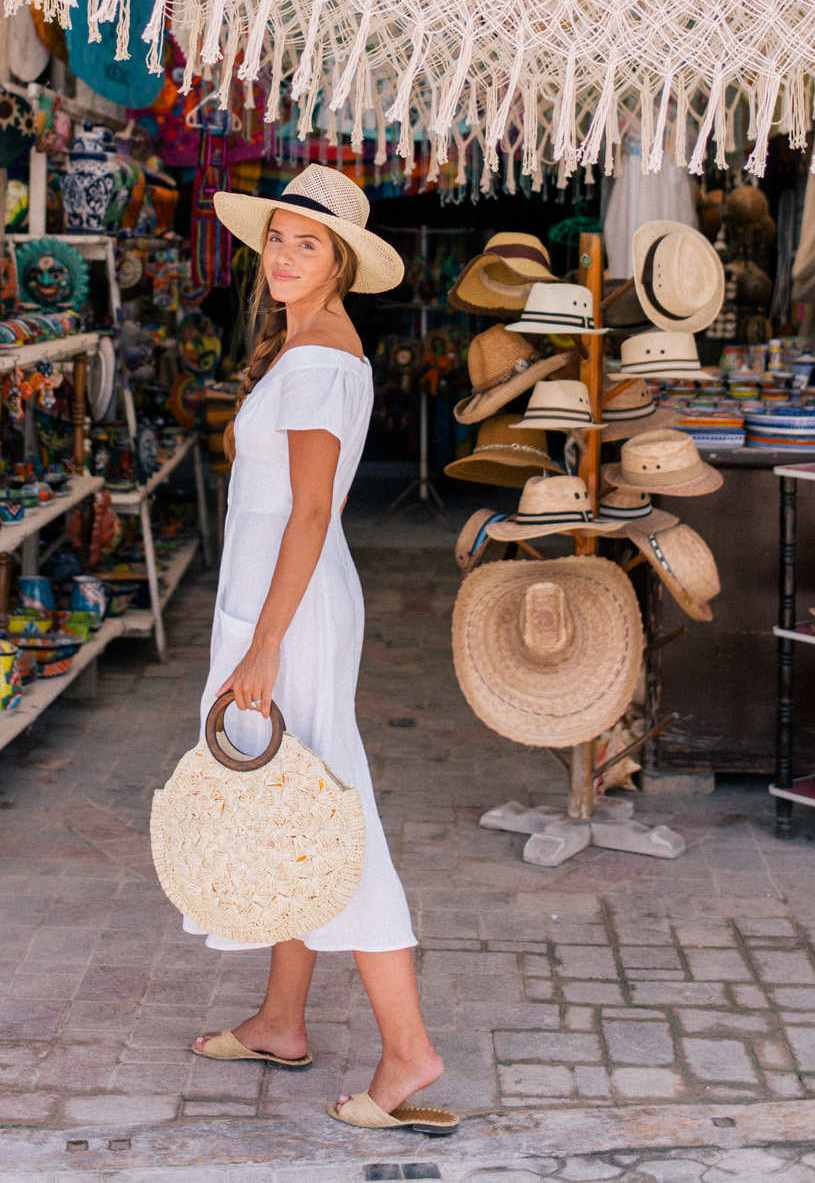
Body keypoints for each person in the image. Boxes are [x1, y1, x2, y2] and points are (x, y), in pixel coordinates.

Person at [186, 163, 457, 1136]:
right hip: (277, 602)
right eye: (278, 237)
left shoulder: (317, 360)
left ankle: (407, 1048)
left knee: (325, 814)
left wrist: (262, 647)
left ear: (340, 260)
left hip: (286, 614)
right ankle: (280, 1017)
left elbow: (308, 508)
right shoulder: (307, 346)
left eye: (309, 241)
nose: (286, 254)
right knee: (282, 810)